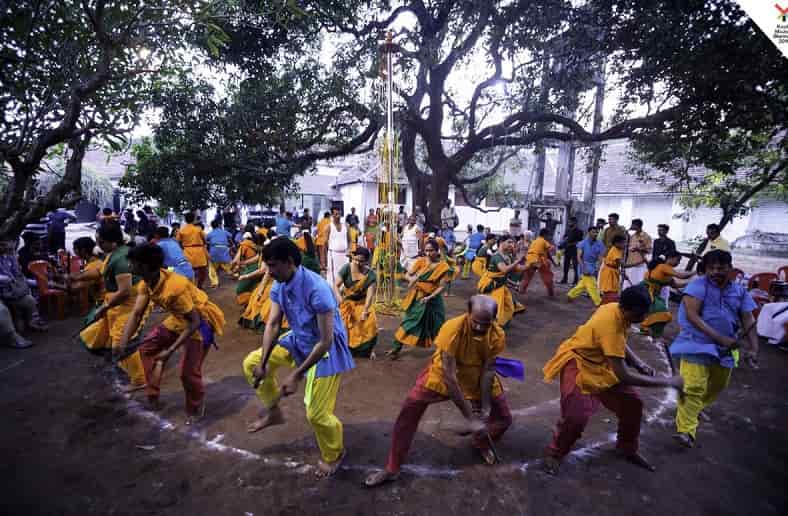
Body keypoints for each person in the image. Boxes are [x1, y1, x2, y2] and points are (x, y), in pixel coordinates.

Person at [365, 296, 512, 486]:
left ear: (493, 320)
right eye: (475, 322)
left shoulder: (497, 334)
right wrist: (470, 417)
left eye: (486, 324)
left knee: (504, 418)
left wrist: (483, 408)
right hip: (443, 375)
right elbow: (449, 377)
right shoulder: (452, 329)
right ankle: (392, 468)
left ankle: (481, 441)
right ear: (468, 314)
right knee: (410, 408)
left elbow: (488, 371)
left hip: (476, 375)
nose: (480, 328)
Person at [242, 238, 355, 477]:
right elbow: (272, 324)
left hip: (326, 349)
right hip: (300, 338)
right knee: (251, 362)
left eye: (273, 266)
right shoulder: (280, 285)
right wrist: (263, 364)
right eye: (267, 266)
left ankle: (334, 453)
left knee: (316, 414)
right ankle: (274, 411)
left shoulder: (318, 290)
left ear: (289, 262)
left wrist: (296, 375)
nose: (268, 272)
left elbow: (325, 342)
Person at [542, 286, 685, 475]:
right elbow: (623, 374)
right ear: (625, 309)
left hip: (601, 363)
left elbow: (618, 342)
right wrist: (667, 382)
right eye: (639, 314)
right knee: (576, 417)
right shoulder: (610, 323)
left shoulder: (615, 309)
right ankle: (555, 453)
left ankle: (627, 447)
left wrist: (638, 362)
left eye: (645, 313)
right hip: (578, 363)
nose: (643, 319)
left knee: (632, 405)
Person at [120, 244, 225, 424]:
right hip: (179, 319)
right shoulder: (147, 282)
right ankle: (152, 393)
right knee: (147, 348)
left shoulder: (175, 288)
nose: (130, 267)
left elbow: (194, 322)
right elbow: (137, 313)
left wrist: (170, 351)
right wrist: (121, 344)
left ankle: (195, 406)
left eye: (133, 263)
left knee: (187, 372)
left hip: (201, 322)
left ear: (145, 266)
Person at [669, 250, 759, 448]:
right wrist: (720, 338)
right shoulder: (697, 286)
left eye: (721, 268)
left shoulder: (740, 291)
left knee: (718, 385)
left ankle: (694, 408)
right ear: (706, 269)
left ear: (730, 268)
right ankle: (686, 431)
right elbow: (693, 316)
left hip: (726, 350)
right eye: (711, 268)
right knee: (693, 387)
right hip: (696, 343)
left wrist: (753, 348)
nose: (715, 272)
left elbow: (748, 319)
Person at [77, 224, 149, 391]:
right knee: (103, 334)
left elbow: (124, 292)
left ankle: (139, 380)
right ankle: (125, 363)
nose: (98, 245)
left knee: (123, 340)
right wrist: (76, 277)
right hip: (119, 302)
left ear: (113, 242)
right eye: (97, 241)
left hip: (130, 301)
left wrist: (104, 307)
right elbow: (99, 273)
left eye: (101, 241)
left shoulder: (122, 259)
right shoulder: (111, 255)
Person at [389, 239, 453, 359]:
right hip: (418, 298)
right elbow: (408, 274)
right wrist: (412, 279)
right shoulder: (421, 262)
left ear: (437, 250)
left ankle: (443, 351)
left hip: (433, 301)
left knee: (438, 325)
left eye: (431, 251)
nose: (428, 253)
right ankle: (396, 348)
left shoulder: (443, 266)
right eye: (426, 250)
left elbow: (441, 287)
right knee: (409, 322)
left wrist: (430, 297)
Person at [0, 238, 47, 348]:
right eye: (2, 245)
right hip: (5, 290)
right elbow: (8, 278)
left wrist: (37, 282)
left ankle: (33, 322)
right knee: (2, 310)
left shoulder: (8, 257)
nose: (5, 248)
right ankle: (11, 337)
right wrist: (5, 279)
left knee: (29, 300)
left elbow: (19, 275)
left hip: (9, 291)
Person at [639, 251, 696, 342]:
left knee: (663, 314)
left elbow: (675, 285)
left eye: (680, 261)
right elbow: (681, 276)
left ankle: (653, 332)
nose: (679, 263)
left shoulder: (667, 272)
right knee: (663, 314)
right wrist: (696, 272)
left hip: (653, 294)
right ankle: (646, 328)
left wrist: (691, 283)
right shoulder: (663, 266)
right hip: (646, 291)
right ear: (670, 258)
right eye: (678, 260)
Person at [335, 247, 378, 358]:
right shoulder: (346, 268)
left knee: (370, 321)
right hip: (348, 302)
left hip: (362, 303)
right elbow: (335, 285)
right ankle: (344, 349)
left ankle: (370, 350)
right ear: (353, 257)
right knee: (343, 323)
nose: (358, 263)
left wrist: (365, 311)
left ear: (366, 261)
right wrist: (340, 300)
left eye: (361, 261)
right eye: (356, 260)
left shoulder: (371, 275)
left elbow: (369, 296)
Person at [477, 234, 526, 327]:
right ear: (501, 243)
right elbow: (504, 270)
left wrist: (530, 265)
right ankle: (492, 327)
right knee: (496, 310)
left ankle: (497, 325)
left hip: (499, 285)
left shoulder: (507, 256)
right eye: (509, 242)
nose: (511, 244)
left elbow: (514, 270)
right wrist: (518, 261)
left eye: (512, 242)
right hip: (491, 285)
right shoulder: (497, 256)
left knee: (508, 307)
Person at [567, 226, 606, 306]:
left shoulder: (600, 244)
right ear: (589, 233)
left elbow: (600, 257)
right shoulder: (582, 243)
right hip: (583, 264)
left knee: (584, 284)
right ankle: (598, 302)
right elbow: (579, 257)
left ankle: (571, 294)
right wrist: (584, 268)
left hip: (594, 265)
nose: (595, 234)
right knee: (592, 284)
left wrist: (598, 268)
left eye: (596, 232)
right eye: (593, 232)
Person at [65, 236, 105, 305]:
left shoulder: (92, 266)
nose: (73, 251)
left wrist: (54, 284)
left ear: (83, 250)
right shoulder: (97, 261)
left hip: (102, 302)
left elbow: (75, 288)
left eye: (75, 248)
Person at [176, 213, 209, 290]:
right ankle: (199, 286)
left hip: (187, 251)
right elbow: (205, 240)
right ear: (194, 219)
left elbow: (178, 242)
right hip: (199, 251)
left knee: (189, 270)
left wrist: (183, 248)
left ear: (185, 220)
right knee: (203, 270)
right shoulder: (198, 229)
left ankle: (191, 287)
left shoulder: (181, 230)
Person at [599, 234, 634, 304]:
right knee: (609, 292)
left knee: (612, 292)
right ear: (617, 243)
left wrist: (622, 273)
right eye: (623, 243)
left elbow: (617, 265)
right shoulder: (615, 250)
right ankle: (604, 307)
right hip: (609, 273)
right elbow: (623, 265)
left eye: (625, 242)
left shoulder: (619, 250)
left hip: (613, 271)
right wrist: (640, 262)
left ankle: (604, 306)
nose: (625, 244)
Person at [520, 229, 555, 297]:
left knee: (527, 276)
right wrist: (553, 246)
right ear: (545, 235)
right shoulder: (543, 241)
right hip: (539, 260)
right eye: (548, 235)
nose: (549, 237)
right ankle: (551, 292)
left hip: (529, 259)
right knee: (547, 276)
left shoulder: (534, 241)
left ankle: (522, 290)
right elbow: (551, 250)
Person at [234, 233, 261, 306]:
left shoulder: (244, 245)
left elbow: (237, 259)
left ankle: (248, 303)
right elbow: (257, 258)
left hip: (253, 268)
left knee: (240, 289)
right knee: (254, 286)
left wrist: (239, 264)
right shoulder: (259, 247)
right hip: (255, 267)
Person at [326, 207, 352, 286]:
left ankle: (343, 292)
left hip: (344, 254)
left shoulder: (346, 226)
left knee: (345, 272)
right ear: (332, 215)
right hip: (333, 254)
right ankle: (332, 292)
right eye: (336, 214)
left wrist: (349, 250)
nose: (338, 216)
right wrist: (323, 261)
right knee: (333, 275)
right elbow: (325, 243)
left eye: (339, 214)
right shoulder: (329, 226)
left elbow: (350, 240)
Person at [624, 219, 652, 288]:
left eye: (633, 225)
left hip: (640, 264)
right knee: (628, 284)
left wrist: (639, 249)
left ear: (637, 226)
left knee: (638, 284)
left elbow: (649, 251)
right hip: (630, 263)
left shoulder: (646, 236)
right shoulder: (632, 236)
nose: (631, 226)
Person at [206, 220, 234, 288]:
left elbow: (205, 240)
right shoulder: (224, 231)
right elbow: (231, 236)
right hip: (224, 250)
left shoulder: (210, 233)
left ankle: (215, 283)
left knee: (212, 267)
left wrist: (211, 243)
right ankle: (235, 274)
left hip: (214, 251)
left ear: (212, 226)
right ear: (219, 225)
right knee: (228, 265)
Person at [559, 216, 584, 285]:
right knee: (565, 265)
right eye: (569, 221)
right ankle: (564, 279)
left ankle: (575, 281)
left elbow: (579, 241)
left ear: (575, 222)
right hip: (567, 249)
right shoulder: (568, 230)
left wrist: (570, 244)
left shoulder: (579, 231)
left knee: (575, 266)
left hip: (575, 250)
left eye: (571, 221)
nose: (569, 223)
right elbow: (564, 238)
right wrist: (562, 243)